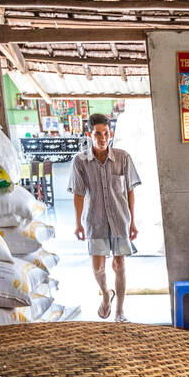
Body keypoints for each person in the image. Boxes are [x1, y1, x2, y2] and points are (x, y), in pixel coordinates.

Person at [69, 113, 141, 322]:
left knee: (119, 265)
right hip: (95, 220)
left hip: (120, 220)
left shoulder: (123, 157)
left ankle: (119, 312)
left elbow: (129, 191)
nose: (102, 138)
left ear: (111, 133)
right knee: (98, 267)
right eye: (98, 134)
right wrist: (78, 223)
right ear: (88, 134)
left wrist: (133, 221)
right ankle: (106, 295)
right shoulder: (80, 162)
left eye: (106, 133)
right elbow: (79, 194)